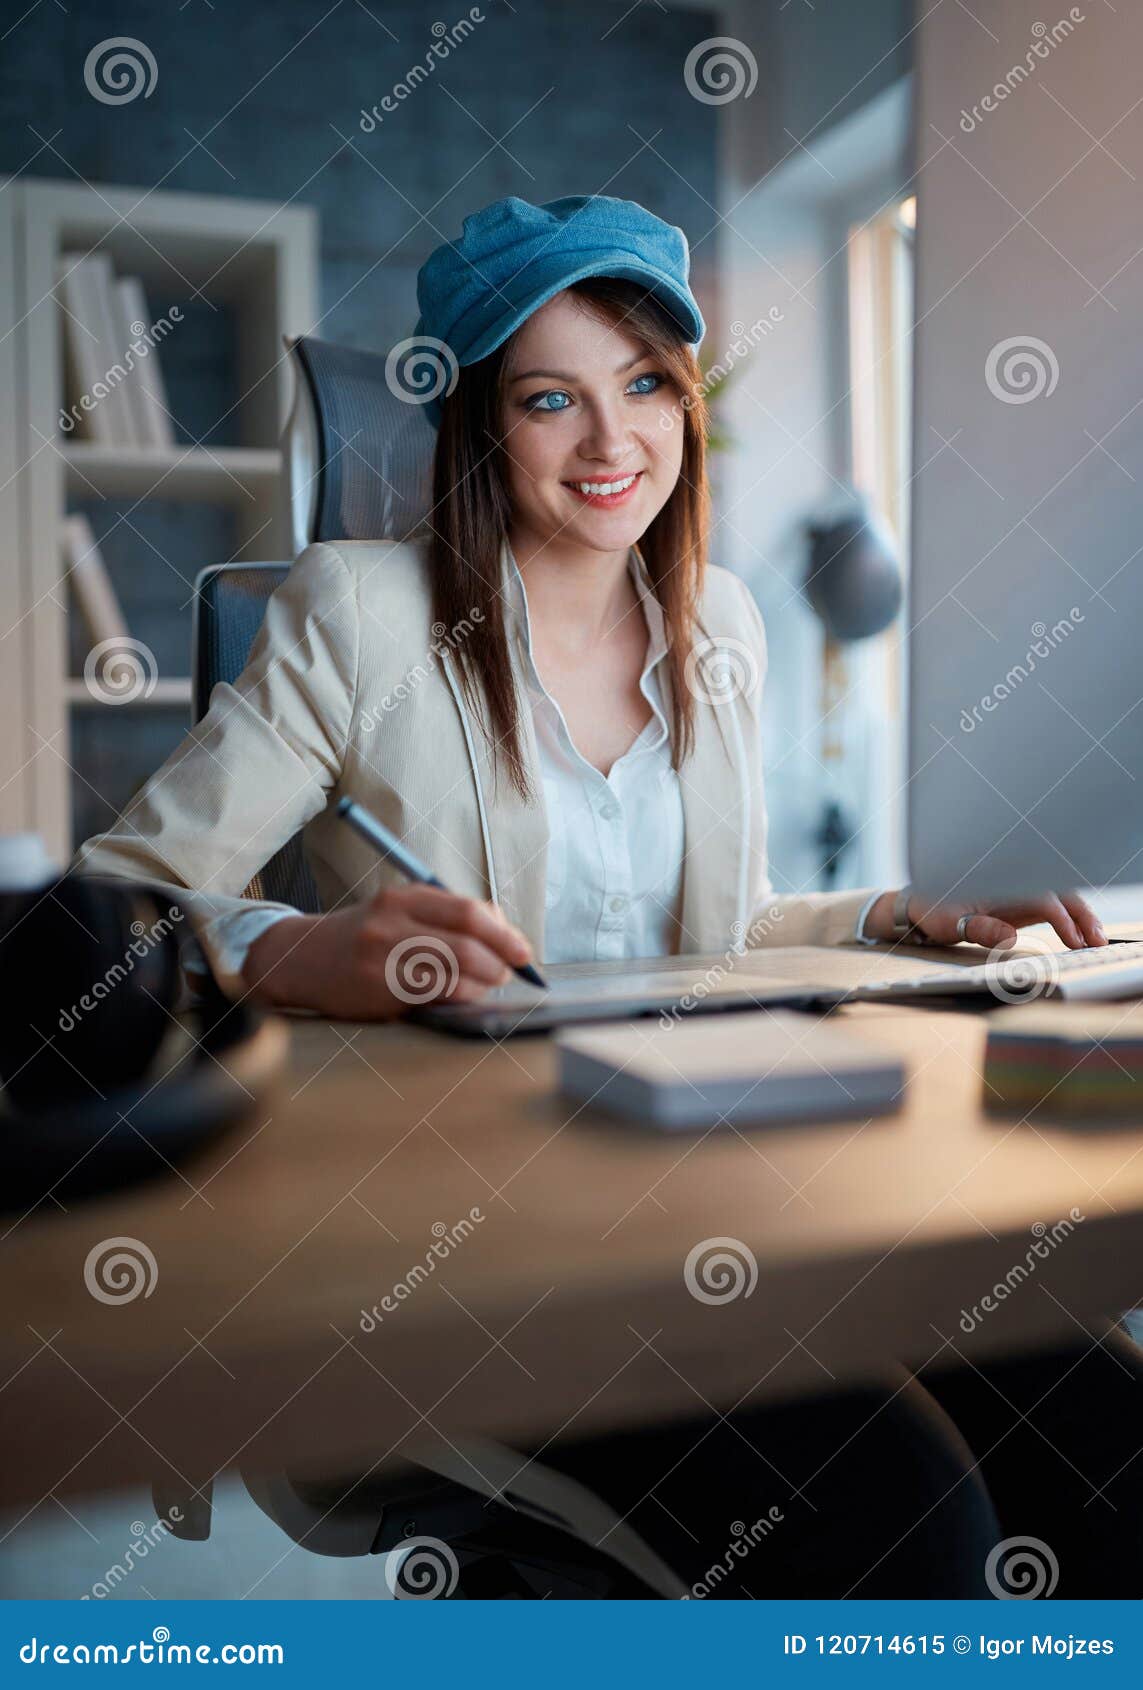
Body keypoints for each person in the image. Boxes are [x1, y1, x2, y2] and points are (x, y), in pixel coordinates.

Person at [73, 193, 1136, 1597]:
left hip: (715, 1186)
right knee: (904, 1515)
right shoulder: (360, 613)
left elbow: (720, 933)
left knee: (1099, 1431)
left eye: (643, 385)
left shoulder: (722, 623)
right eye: (549, 399)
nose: (609, 442)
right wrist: (305, 949)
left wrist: (898, 913)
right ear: (479, 422)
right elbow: (117, 904)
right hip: (483, 1238)